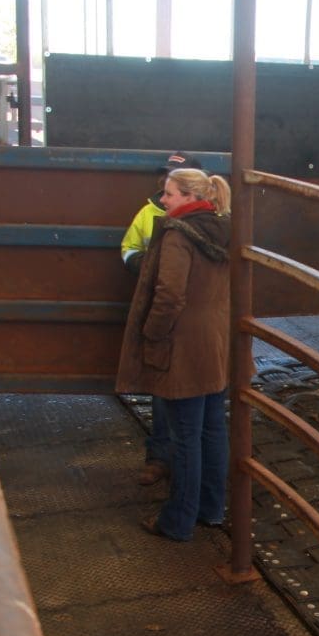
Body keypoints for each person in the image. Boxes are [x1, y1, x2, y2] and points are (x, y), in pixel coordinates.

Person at [116, 168, 232, 541]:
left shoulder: (178, 235)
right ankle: (211, 510)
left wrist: (152, 333)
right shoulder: (221, 230)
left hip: (182, 346)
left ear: (187, 197)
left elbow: (169, 294)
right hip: (214, 342)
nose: (162, 200)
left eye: (168, 193)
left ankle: (177, 522)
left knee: (185, 438)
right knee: (213, 431)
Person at [122, 150, 203, 486]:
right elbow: (128, 248)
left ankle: (187, 466)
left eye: (174, 180)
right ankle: (161, 458)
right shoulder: (148, 213)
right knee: (163, 393)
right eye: (167, 176)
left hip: (187, 316)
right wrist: (144, 265)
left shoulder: (205, 219)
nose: (166, 186)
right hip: (171, 314)